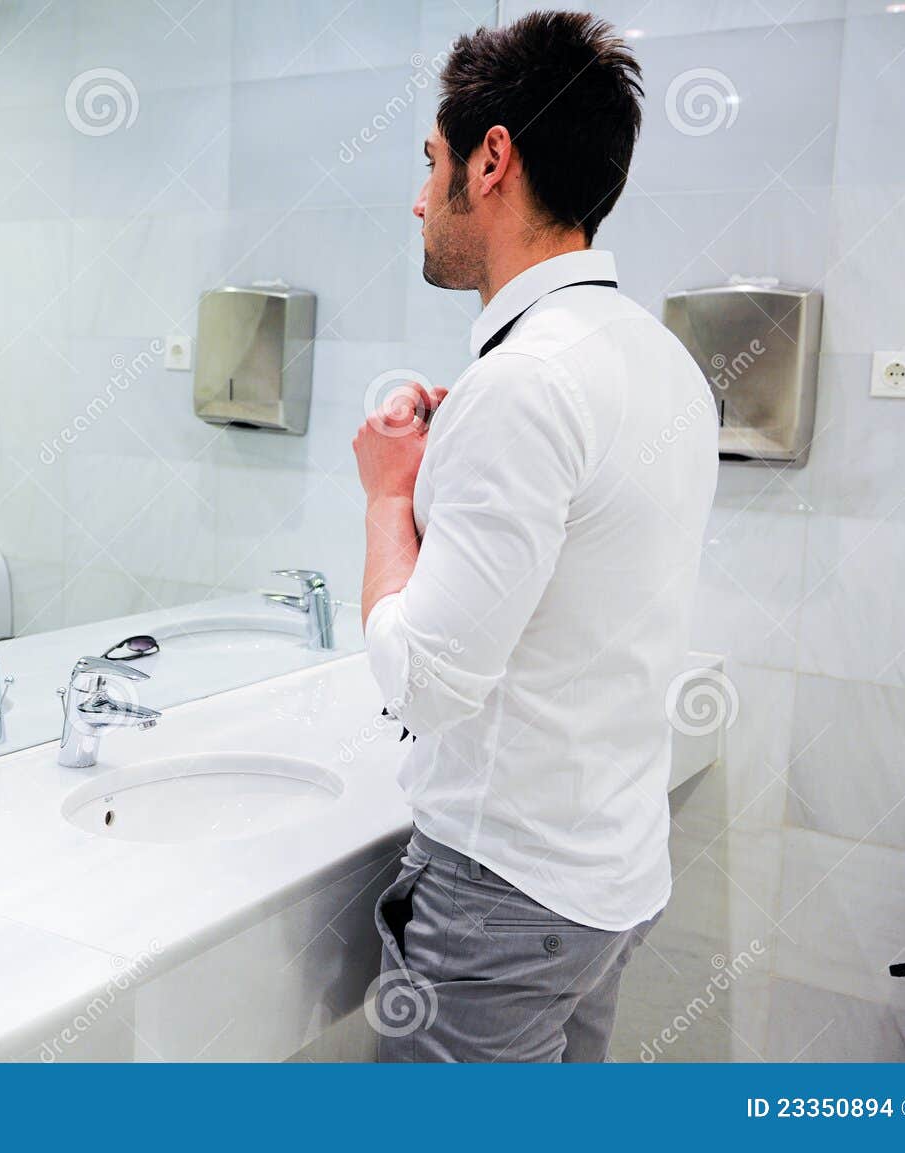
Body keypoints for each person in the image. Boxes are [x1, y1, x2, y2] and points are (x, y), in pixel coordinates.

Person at [353, 12, 719, 1061]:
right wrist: (458, 455)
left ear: (492, 159)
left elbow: (423, 684)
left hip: (500, 906)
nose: (419, 196)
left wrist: (386, 499)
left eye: (431, 162)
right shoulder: (656, 362)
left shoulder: (524, 385)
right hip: (606, 881)